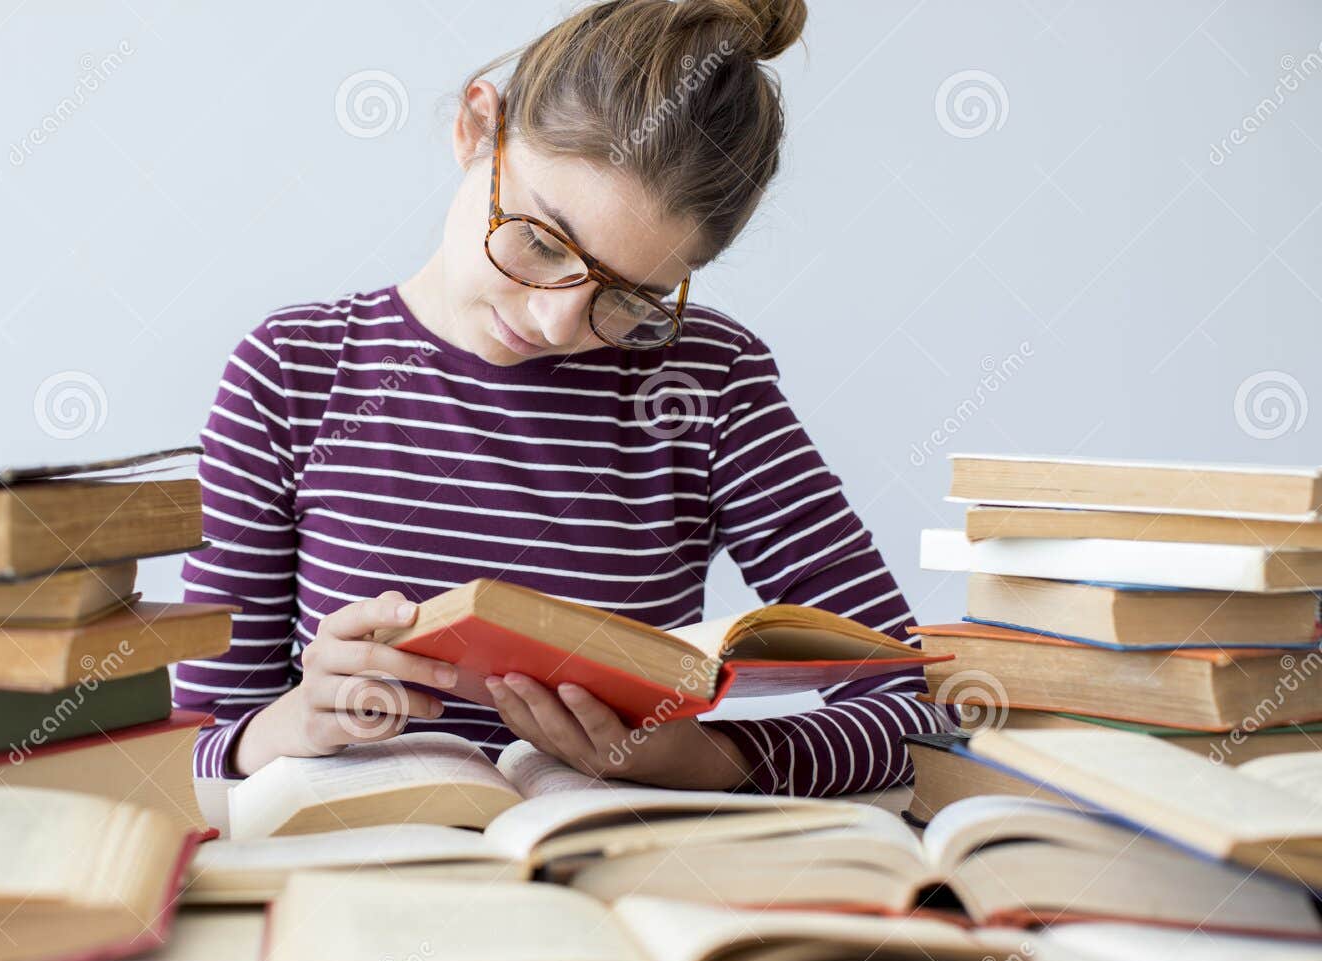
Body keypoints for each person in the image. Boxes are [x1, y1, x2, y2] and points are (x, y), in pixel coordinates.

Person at [174, 0, 951, 794]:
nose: (555, 319)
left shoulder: (706, 383)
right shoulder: (292, 372)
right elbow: (188, 747)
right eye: (541, 241)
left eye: (630, 297)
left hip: (614, 876)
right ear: (478, 128)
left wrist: (711, 758)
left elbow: (919, 710)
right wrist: (296, 719)